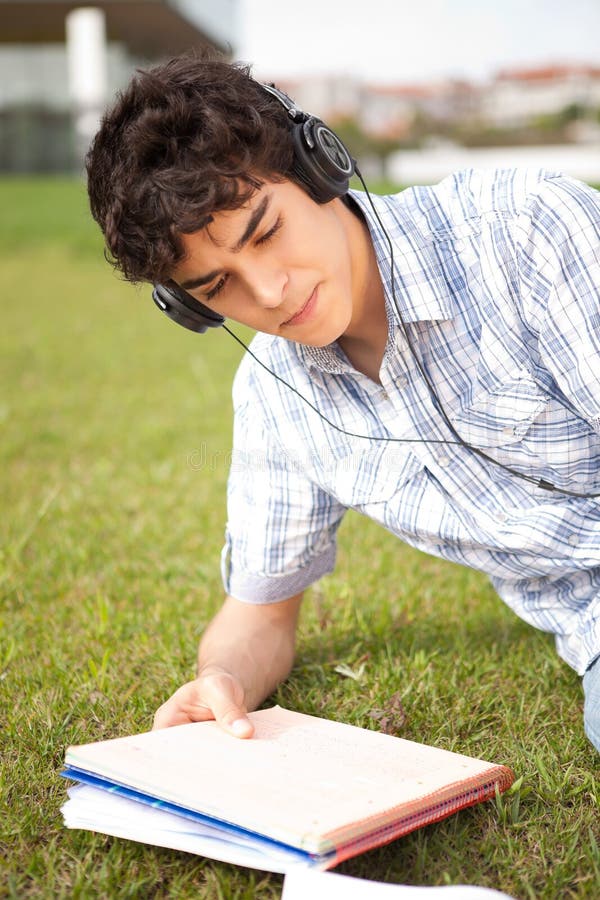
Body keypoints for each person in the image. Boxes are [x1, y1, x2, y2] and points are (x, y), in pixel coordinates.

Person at [86, 53, 600, 753]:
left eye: (265, 232)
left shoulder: (528, 232)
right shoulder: (276, 398)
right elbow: (260, 616)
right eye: (218, 288)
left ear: (316, 166)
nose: (267, 292)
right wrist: (223, 678)